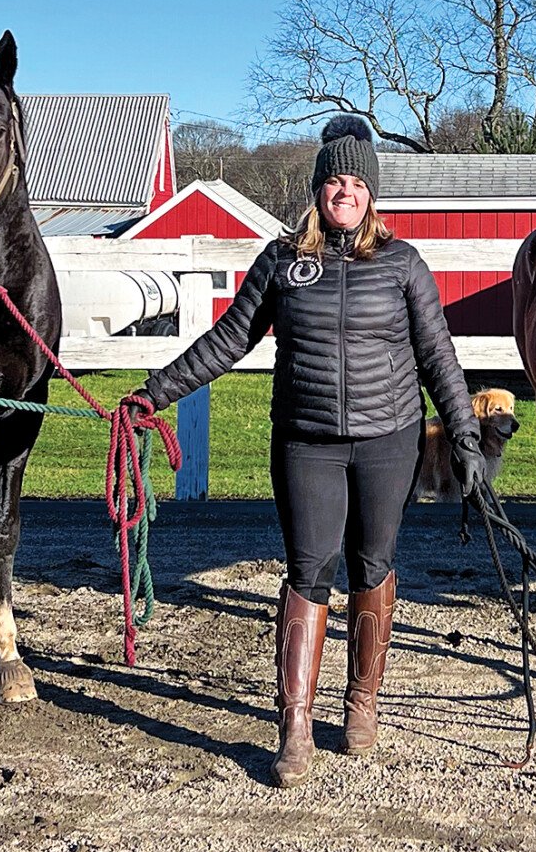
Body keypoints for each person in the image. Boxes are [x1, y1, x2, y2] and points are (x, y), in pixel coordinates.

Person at [132, 115, 484, 786]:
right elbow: (228, 340)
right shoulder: (281, 260)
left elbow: (437, 354)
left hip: (390, 438)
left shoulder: (403, 264)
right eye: (333, 182)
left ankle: (361, 703)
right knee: (306, 571)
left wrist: (462, 429)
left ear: (371, 193)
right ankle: (294, 723)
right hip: (307, 441)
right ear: (317, 190)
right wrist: (157, 392)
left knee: (373, 565)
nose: (344, 192)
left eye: (356, 182)